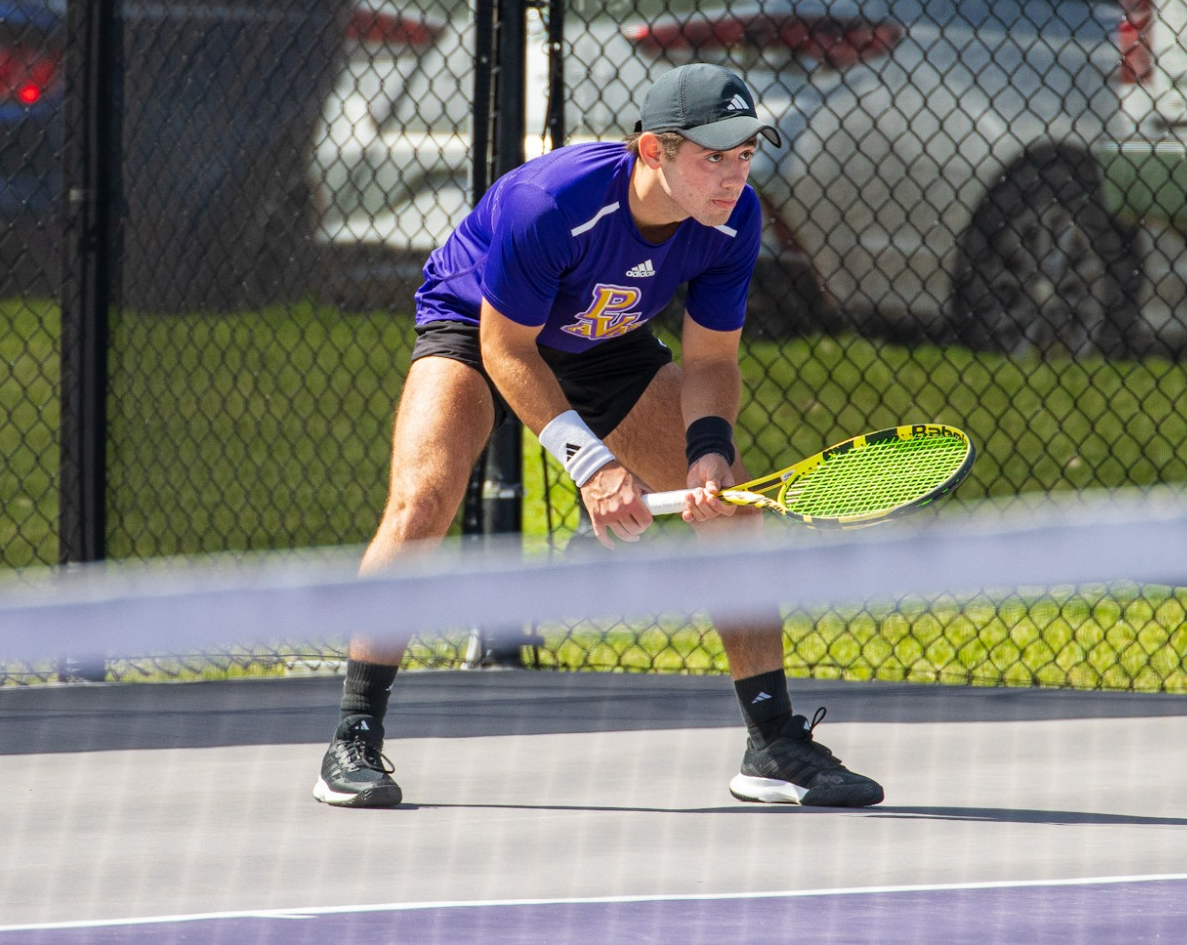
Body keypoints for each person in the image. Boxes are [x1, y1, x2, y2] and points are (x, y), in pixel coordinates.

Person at [313, 62, 884, 810]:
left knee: (736, 502)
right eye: (713, 155)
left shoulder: (733, 218)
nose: (733, 174)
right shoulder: (550, 203)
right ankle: (353, 735)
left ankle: (772, 742)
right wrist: (593, 465)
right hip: (480, 325)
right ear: (653, 151)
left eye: (744, 153)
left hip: (603, 341)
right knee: (422, 501)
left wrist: (708, 444)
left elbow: (711, 358)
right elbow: (508, 351)